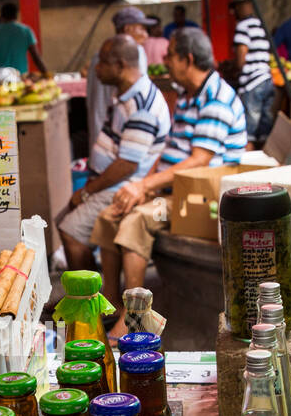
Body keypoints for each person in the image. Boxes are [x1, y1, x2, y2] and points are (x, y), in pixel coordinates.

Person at [91, 28, 246, 335]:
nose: (163, 60)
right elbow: (171, 153)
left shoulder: (217, 98)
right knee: (111, 214)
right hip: (174, 189)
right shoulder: (191, 95)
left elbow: (199, 161)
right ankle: (113, 303)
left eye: (170, 55)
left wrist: (145, 187)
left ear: (187, 59)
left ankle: (137, 319)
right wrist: (141, 186)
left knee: (137, 220)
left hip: (202, 197)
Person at [57, 34, 170, 273]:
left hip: (122, 186)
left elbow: (127, 165)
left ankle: (88, 302)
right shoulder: (126, 94)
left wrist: (87, 192)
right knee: (64, 221)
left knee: (70, 231)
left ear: (120, 66)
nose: (96, 68)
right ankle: (90, 295)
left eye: (102, 62)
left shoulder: (141, 106)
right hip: (111, 183)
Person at [86, 7, 152, 146]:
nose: (146, 35)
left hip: (101, 131)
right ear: (128, 29)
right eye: (142, 29)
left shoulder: (99, 55)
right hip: (120, 135)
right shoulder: (136, 54)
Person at [231, 0, 274, 148]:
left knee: (248, 131)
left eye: (236, 8)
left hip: (252, 82)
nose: (234, 12)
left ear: (244, 6)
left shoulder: (243, 26)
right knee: (264, 129)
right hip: (266, 79)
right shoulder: (260, 24)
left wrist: (236, 69)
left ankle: (249, 163)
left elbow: (241, 55)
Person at [0, 2, 47, 75]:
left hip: (0, 78)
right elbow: (36, 57)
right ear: (16, 16)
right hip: (21, 77)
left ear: (1, 16)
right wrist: (46, 74)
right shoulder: (26, 32)